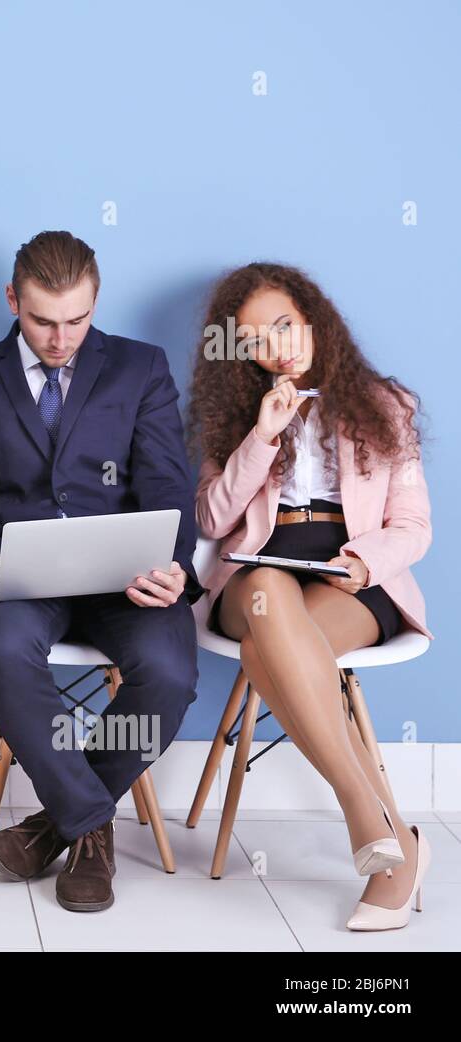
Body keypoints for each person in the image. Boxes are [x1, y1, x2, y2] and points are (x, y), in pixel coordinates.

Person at [0, 231, 202, 912]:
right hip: (17, 576)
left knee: (169, 673)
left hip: (127, 577)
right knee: (1, 648)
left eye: (76, 319)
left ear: (95, 300)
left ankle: (57, 824)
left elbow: (170, 485)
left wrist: (173, 563)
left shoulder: (141, 368)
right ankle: (89, 825)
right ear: (11, 299)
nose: (60, 338)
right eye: (42, 320)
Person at [188, 261, 432, 932]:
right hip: (259, 571)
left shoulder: (387, 405)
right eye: (257, 341)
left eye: (286, 326)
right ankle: (377, 822)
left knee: (277, 659)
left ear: (314, 319)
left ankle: (393, 846)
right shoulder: (233, 415)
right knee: (268, 596)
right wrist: (263, 435)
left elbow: (413, 526)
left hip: (346, 573)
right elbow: (213, 520)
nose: (279, 347)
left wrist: (365, 558)